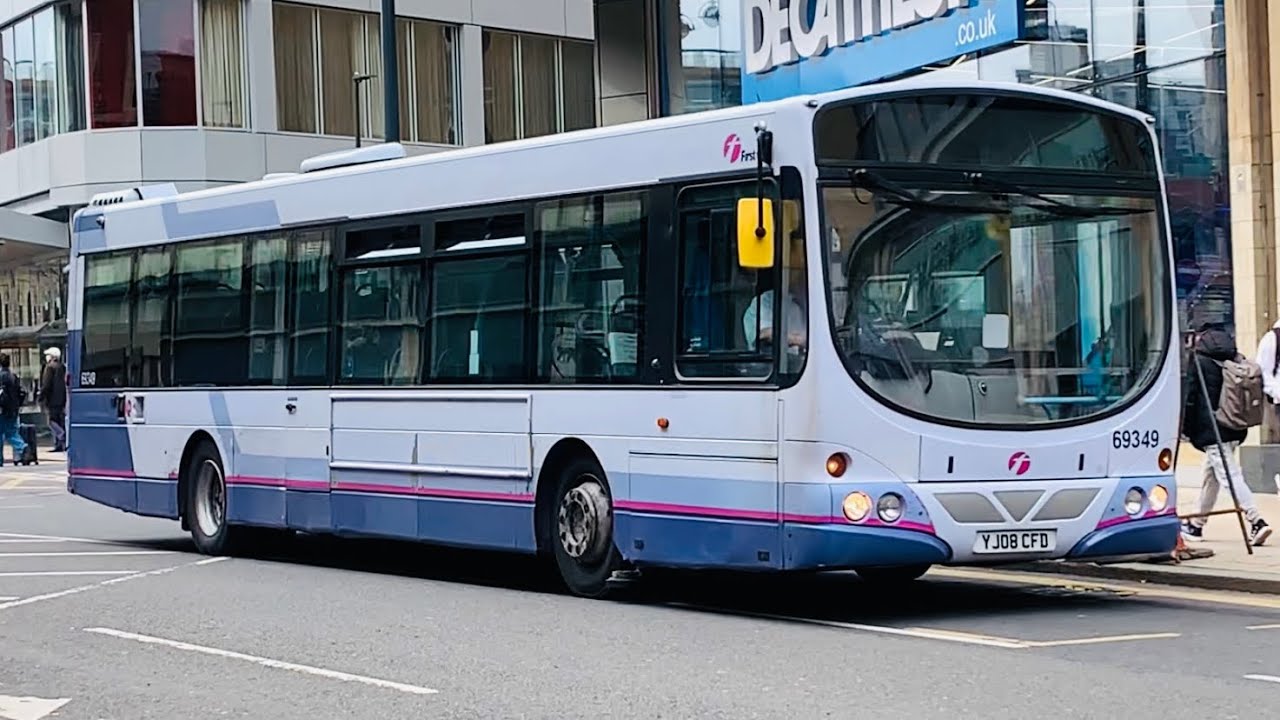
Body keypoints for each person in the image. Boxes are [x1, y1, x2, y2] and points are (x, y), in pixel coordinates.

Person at [1181, 327, 1272, 546]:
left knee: (1230, 476)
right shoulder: (1234, 358)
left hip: (1212, 430)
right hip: (1233, 426)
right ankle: (1196, 525)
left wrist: (1184, 428)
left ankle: (1256, 520)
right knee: (1210, 475)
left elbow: (1191, 398)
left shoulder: (1200, 361)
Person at [0, 352, 28, 467]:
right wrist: (17, 405)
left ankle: (21, 447)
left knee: (5, 433)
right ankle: (22, 447)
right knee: (11, 432)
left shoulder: (1, 376)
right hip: (13, 409)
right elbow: (21, 392)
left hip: (2, 410)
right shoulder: (14, 376)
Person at [39, 347, 66, 453]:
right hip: (61, 399)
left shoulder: (49, 367)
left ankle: (61, 435)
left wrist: (41, 396)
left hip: (52, 399)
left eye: (48, 355)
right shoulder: (62, 367)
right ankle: (59, 444)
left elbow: (46, 384)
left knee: (51, 421)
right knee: (59, 420)